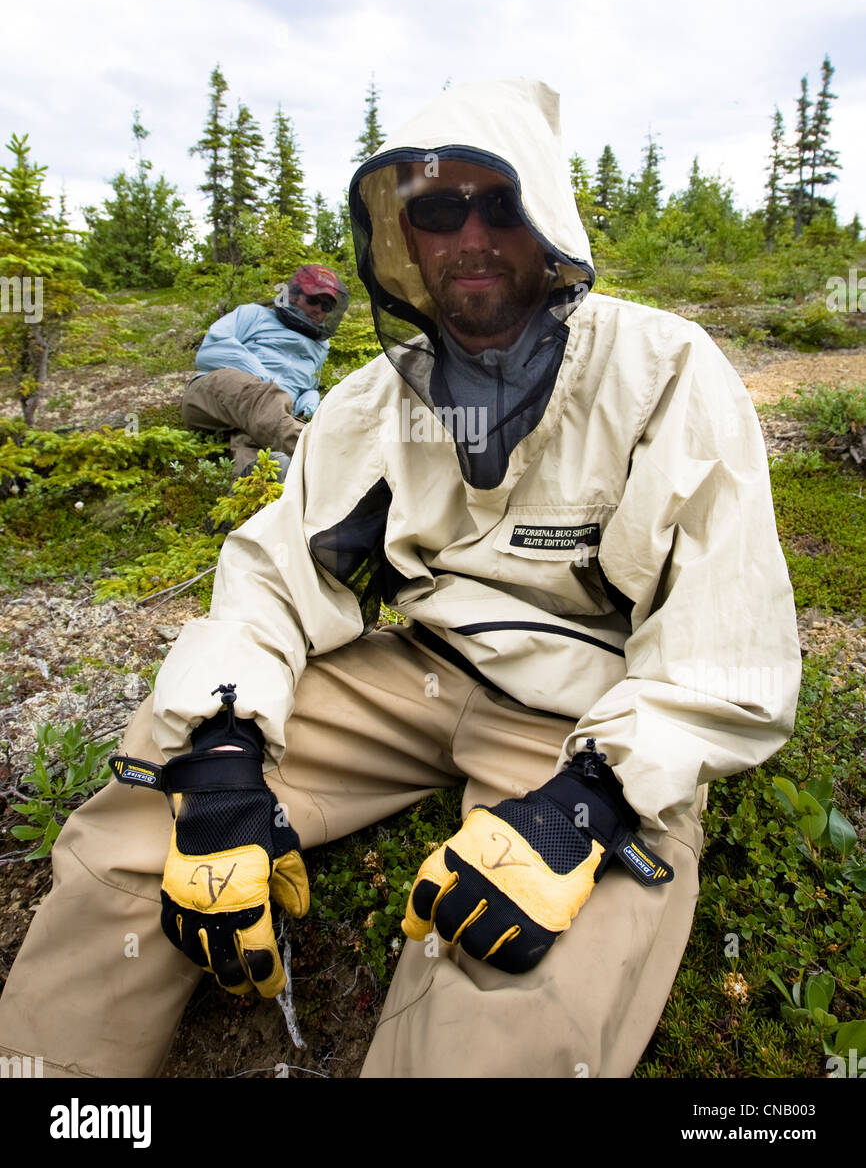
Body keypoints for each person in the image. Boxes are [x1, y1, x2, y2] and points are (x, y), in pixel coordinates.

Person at [0, 78, 801, 1079]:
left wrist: (590, 801)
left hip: (598, 712)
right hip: (407, 672)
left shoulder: (665, 370)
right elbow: (276, 572)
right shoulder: (372, 402)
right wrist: (217, 752)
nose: (468, 234)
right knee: (149, 825)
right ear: (402, 237)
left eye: (498, 203)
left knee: (515, 972)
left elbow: (723, 641)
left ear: (546, 215)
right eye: (433, 209)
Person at [181, 264, 349, 479]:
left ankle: (257, 490)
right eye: (313, 299)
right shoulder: (254, 314)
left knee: (259, 442)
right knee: (265, 403)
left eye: (326, 305)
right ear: (295, 295)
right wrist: (263, 379)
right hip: (211, 395)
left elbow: (309, 384)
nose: (319, 309)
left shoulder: (320, 347)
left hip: (262, 415)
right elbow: (211, 349)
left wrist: (310, 397)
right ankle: (328, 453)